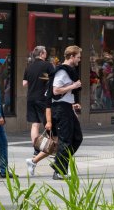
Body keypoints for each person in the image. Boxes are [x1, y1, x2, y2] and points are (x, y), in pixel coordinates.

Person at [29, 46, 84, 180]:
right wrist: (73, 86)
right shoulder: (62, 72)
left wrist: (72, 104)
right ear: (71, 56)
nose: (79, 59)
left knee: (77, 137)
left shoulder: (69, 71)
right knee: (65, 140)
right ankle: (59, 170)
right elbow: (56, 91)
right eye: (78, 57)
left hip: (67, 107)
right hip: (60, 109)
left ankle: (59, 163)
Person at [22, 46, 55, 156]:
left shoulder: (29, 67)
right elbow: (54, 79)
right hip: (42, 98)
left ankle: (36, 150)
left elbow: (24, 83)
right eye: (45, 52)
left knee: (35, 124)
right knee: (48, 123)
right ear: (41, 54)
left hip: (30, 98)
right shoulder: (47, 65)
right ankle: (52, 147)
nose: (46, 54)